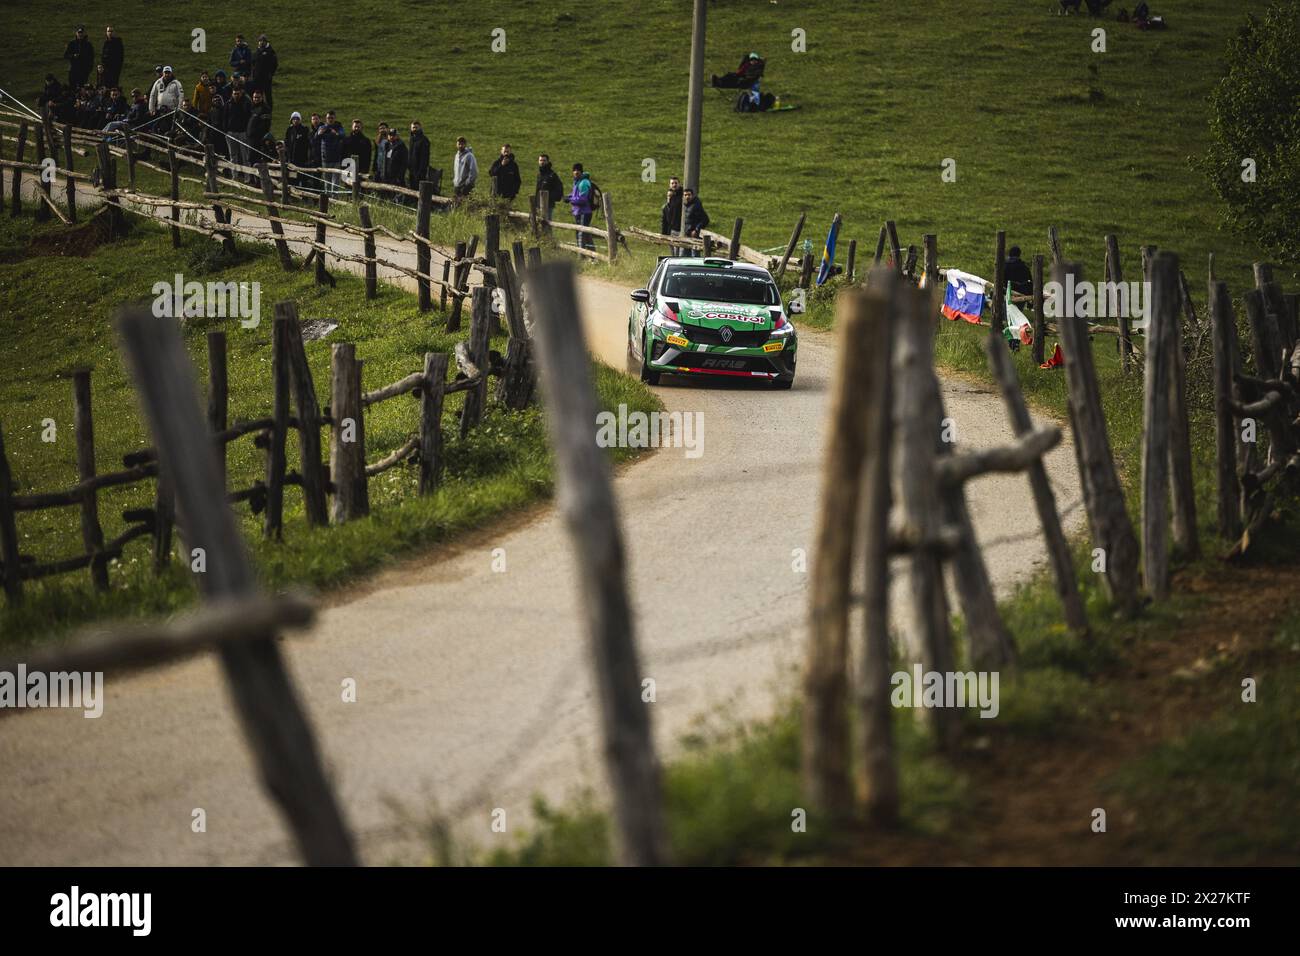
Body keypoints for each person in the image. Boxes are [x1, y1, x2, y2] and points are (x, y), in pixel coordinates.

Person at [223, 84, 252, 172]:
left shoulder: (246, 103)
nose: (236, 95)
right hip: (231, 132)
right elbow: (224, 117)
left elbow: (249, 117)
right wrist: (226, 131)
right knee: (233, 155)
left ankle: (247, 176)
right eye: (234, 93)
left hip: (242, 132)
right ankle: (234, 175)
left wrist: (247, 130)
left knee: (245, 155)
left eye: (238, 93)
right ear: (232, 94)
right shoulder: (228, 103)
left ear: (241, 93)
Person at [315, 110, 344, 193]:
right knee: (327, 182)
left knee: (335, 183)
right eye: (328, 118)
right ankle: (327, 201)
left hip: (336, 159)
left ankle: (335, 201)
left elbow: (343, 135)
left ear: (335, 118)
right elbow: (315, 138)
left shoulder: (339, 127)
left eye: (332, 118)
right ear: (326, 119)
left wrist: (336, 133)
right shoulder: (322, 127)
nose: (330, 119)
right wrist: (318, 134)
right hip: (326, 158)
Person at [245, 89, 272, 178]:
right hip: (250, 138)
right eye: (254, 97)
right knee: (250, 158)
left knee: (257, 159)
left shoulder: (265, 109)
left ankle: (258, 178)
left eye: (258, 97)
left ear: (262, 98)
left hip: (259, 139)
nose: (256, 99)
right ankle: (252, 177)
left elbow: (265, 126)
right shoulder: (252, 107)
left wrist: (258, 135)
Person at [148, 65, 183, 133]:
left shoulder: (177, 83)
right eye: (165, 73)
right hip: (160, 109)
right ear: (163, 73)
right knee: (158, 125)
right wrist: (151, 108)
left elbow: (181, 96)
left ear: (171, 73)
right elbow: (153, 95)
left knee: (170, 126)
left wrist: (179, 108)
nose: (167, 74)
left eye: (168, 73)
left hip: (172, 110)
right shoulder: (158, 82)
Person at [248, 35, 278, 113]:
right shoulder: (256, 52)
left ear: (266, 42)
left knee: (268, 95)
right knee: (258, 93)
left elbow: (274, 64)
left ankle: (269, 110)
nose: (261, 42)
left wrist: (270, 74)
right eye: (260, 41)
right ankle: (258, 109)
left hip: (266, 78)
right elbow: (253, 64)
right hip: (257, 78)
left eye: (263, 41)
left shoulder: (270, 51)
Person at [569, 163, 595, 249]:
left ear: (581, 171)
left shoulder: (583, 183)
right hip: (579, 212)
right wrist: (569, 197)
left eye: (578, 171)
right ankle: (592, 256)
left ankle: (582, 256)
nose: (576, 172)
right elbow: (576, 195)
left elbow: (583, 199)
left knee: (581, 235)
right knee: (586, 234)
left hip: (584, 212)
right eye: (574, 171)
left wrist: (570, 200)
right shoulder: (577, 182)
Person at [64, 26, 95, 90]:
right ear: (76, 33)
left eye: (81, 33)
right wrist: (73, 56)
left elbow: (91, 57)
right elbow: (66, 55)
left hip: (84, 71)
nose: (80, 34)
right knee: (72, 88)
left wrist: (89, 69)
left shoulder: (88, 45)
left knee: (82, 88)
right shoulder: (72, 44)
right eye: (79, 32)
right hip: (73, 70)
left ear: (84, 34)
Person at [407, 120, 430, 189]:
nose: (414, 129)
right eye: (413, 127)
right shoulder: (411, 139)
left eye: (416, 127)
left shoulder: (424, 140)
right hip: (412, 170)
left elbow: (425, 157)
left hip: (420, 171)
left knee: (419, 189)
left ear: (420, 128)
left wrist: (421, 171)